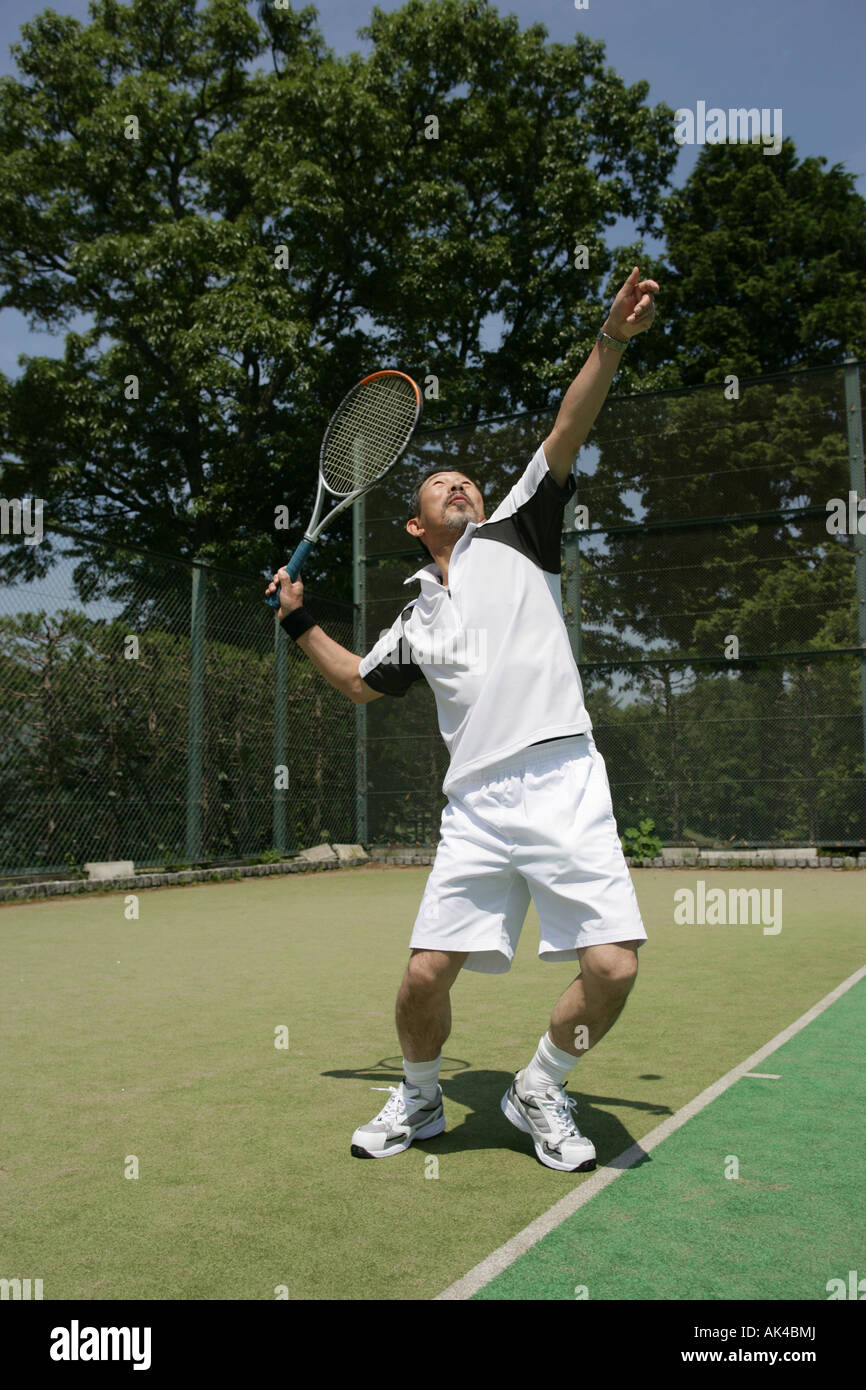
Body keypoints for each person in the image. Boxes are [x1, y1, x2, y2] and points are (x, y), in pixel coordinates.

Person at [267, 267, 659, 1172]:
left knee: (614, 968)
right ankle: (420, 1101)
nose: (460, 487)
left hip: (563, 779)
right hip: (476, 805)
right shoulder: (413, 620)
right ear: (413, 525)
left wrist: (610, 341)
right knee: (420, 979)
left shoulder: (521, 528)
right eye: (441, 484)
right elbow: (361, 682)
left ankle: (541, 1087)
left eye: (467, 481)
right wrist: (296, 621)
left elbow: (568, 428)